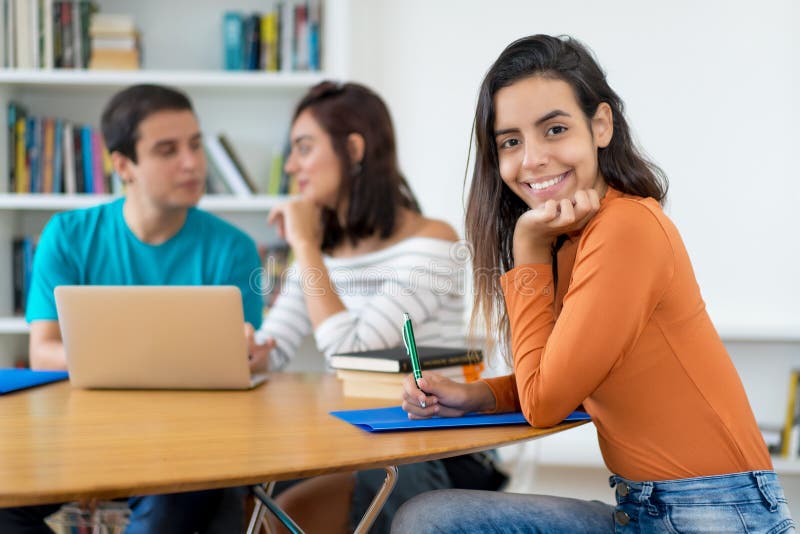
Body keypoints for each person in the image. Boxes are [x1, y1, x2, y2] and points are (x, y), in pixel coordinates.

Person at [392, 34, 795, 533]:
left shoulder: (625, 229)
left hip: (717, 514)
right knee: (431, 517)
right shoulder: (571, 239)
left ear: (600, 125)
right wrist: (476, 396)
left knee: (433, 521)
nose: (533, 158)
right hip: (650, 512)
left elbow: (546, 403)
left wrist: (528, 248)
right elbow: (564, 378)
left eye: (554, 129)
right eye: (510, 142)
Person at [0, 84, 272, 534]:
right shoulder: (68, 235)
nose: (192, 163)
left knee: (180, 505)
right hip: (81, 435)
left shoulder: (234, 249)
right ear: (123, 165)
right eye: (168, 150)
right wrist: (164, 364)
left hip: (190, 442)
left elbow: (236, 358)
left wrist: (246, 355)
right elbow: (43, 351)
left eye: (195, 145)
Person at [254, 81, 507, 534]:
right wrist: (245, 350)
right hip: (357, 441)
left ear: (353, 149)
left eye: (304, 148)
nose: (292, 166)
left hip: (434, 450)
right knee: (245, 486)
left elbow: (352, 352)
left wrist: (305, 245)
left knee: (284, 513)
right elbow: (273, 346)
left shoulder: (434, 242)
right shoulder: (324, 253)